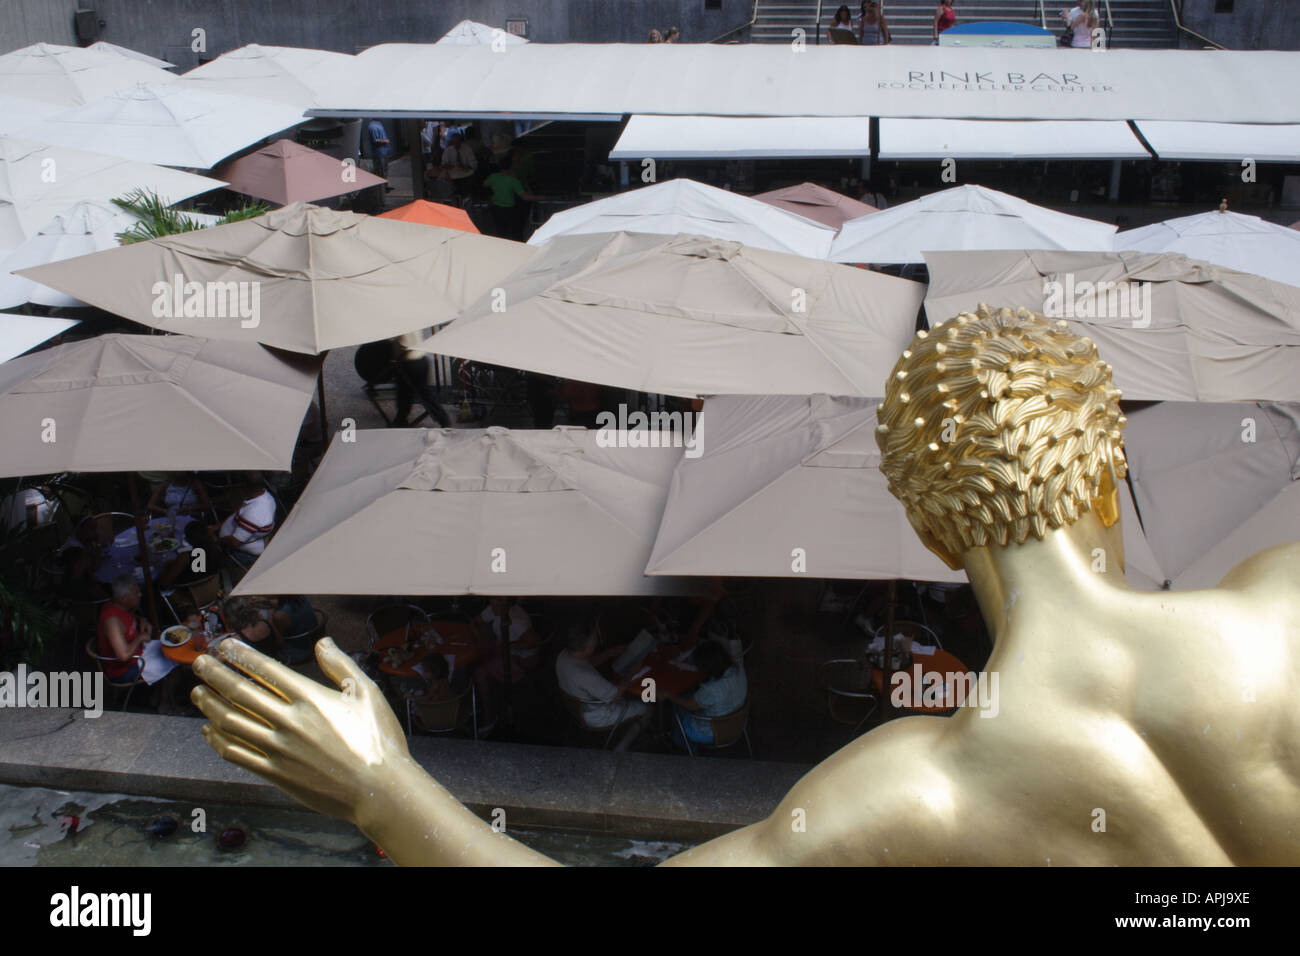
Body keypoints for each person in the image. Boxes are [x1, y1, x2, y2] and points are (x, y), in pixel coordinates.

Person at [192, 307, 1300, 866]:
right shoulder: (1283, 601)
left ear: (920, 523)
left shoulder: (904, 798)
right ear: (1112, 463)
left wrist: (384, 785)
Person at [554, 615, 650, 751]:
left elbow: (588, 662)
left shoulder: (564, 655)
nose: (597, 641)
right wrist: (632, 672)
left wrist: (610, 653)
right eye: (594, 639)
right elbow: (616, 695)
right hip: (596, 715)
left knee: (626, 692)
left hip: (578, 706)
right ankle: (621, 748)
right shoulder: (586, 676)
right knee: (647, 708)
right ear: (585, 647)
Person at [665, 639, 747, 748]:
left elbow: (690, 705)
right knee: (689, 696)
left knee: (677, 705)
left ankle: (682, 745)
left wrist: (669, 695)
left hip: (714, 732)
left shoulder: (711, 689)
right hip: (738, 723)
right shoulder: (739, 669)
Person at [390, 331, 452, 428]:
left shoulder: (404, 325)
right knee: (405, 392)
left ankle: (444, 421)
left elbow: (404, 344)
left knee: (421, 394)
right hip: (420, 359)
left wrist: (395, 354)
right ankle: (400, 419)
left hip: (411, 363)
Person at [213, 474, 275, 572]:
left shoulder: (255, 513)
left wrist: (216, 541)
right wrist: (218, 526)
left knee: (206, 556)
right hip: (247, 541)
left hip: (239, 553)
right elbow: (238, 514)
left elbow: (234, 542)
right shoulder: (265, 496)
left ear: (244, 487)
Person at [98, 574, 152, 682]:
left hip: (139, 655)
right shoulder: (112, 621)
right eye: (136, 593)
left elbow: (127, 617)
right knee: (173, 660)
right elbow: (123, 655)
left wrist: (142, 620)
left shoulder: (120, 606)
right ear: (123, 598)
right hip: (123, 671)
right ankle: (162, 697)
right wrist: (140, 638)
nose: (140, 595)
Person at [481, 150, 542, 240]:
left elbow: (485, 184)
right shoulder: (513, 181)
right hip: (509, 210)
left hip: (496, 208)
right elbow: (524, 197)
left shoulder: (493, 177)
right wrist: (541, 197)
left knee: (501, 231)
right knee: (515, 232)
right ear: (511, 167)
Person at [146, 472, 211, 517]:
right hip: (173, 518)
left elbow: (207, 505)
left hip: (192, 516)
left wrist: (188, 509)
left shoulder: (195, 483)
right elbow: (150, 505)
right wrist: (166, 511)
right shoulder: (166, 484)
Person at [440, 131, 477, 202]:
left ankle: (465, 198)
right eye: (454, 142)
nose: (456, 144)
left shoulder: (467, 149)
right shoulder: (448, 150)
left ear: (461, 141)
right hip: (452, 176)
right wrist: (449, 166)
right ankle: (454, 198)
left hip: (465, 175)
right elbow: (443, 164)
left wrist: (466, 166)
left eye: (458, 142)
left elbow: (474, 164)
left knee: (466, 183)